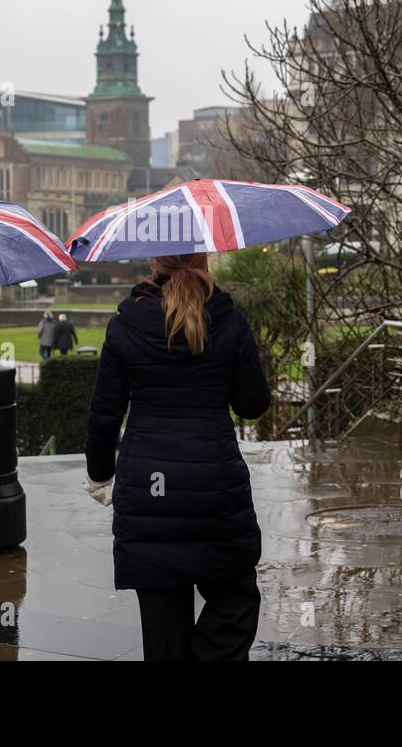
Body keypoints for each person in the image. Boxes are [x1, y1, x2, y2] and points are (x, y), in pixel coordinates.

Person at [83, 253, 272, 660]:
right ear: (204, 258)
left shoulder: (124, 325)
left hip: (147, 489)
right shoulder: (229, 321)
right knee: (234, 605)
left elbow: (104, 414)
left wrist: (100, 475)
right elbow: (253, 404)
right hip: (214, 486)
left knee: (162, 634)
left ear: (155, 263)